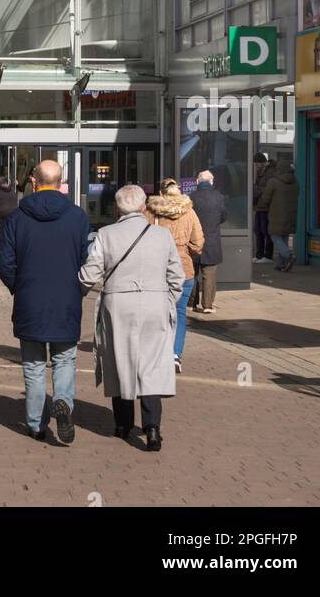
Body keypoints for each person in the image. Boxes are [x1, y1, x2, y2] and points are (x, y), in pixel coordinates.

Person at [79, 184, 185, 452]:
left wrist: (77, 288)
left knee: (119, 360)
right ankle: (152, 427)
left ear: (117, 208)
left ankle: (123, 423)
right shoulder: (162, 236)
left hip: (119, 304)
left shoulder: (106, 234)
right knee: (151, 364)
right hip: (155, 303)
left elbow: (90, 274)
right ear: (142, 207)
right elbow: (177, 275)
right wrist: (167, 299)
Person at [0, 160, 90, 445]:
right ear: (61, 184)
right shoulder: (77, 217)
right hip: (66, 301)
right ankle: (62, 402)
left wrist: (19, 286)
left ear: (34, 183)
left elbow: (4, 261)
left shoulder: (17, 217)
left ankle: (36, 424)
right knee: (65, 359)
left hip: (30, 302)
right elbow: (88, 260)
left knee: (34, 365)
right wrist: (78, 289)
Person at [145, 178, 204, 374]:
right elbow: (198, 243)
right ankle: (175, 354)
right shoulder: (189, 212)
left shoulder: (151, 212)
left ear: (161, 194)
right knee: (179, 313)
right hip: (183, 268)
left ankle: (155, 353)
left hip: (156, 269)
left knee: (155, 313)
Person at [189, 171, 226, 312]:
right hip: (212, 240)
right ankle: (208, 305)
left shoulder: (190, 198)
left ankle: (191, 303)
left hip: (193, 240)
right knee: (209, 274)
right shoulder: (219, 197)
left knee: (192, 273)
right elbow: (223, 217)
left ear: (197, 181)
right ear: (211, 182)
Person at [257, 162, 299, 272]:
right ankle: (280, 264)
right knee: (284, 236)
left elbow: (266, 199)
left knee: (274, 236)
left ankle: (288, 255)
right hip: (291, 214)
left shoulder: (273, 182)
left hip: (276, 213)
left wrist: (260, 206)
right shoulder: (295, 182)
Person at [253, 153, 276, 263]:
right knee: (258, 231)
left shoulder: (270, 172)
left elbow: (268, 188)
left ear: (262, 162)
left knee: (265, 231)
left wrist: (256, 190)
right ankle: (259, 255)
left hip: (266, 207)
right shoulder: (261, 171)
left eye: (257, 163)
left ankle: (267, 256)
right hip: (259, 206)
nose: (256, 166)